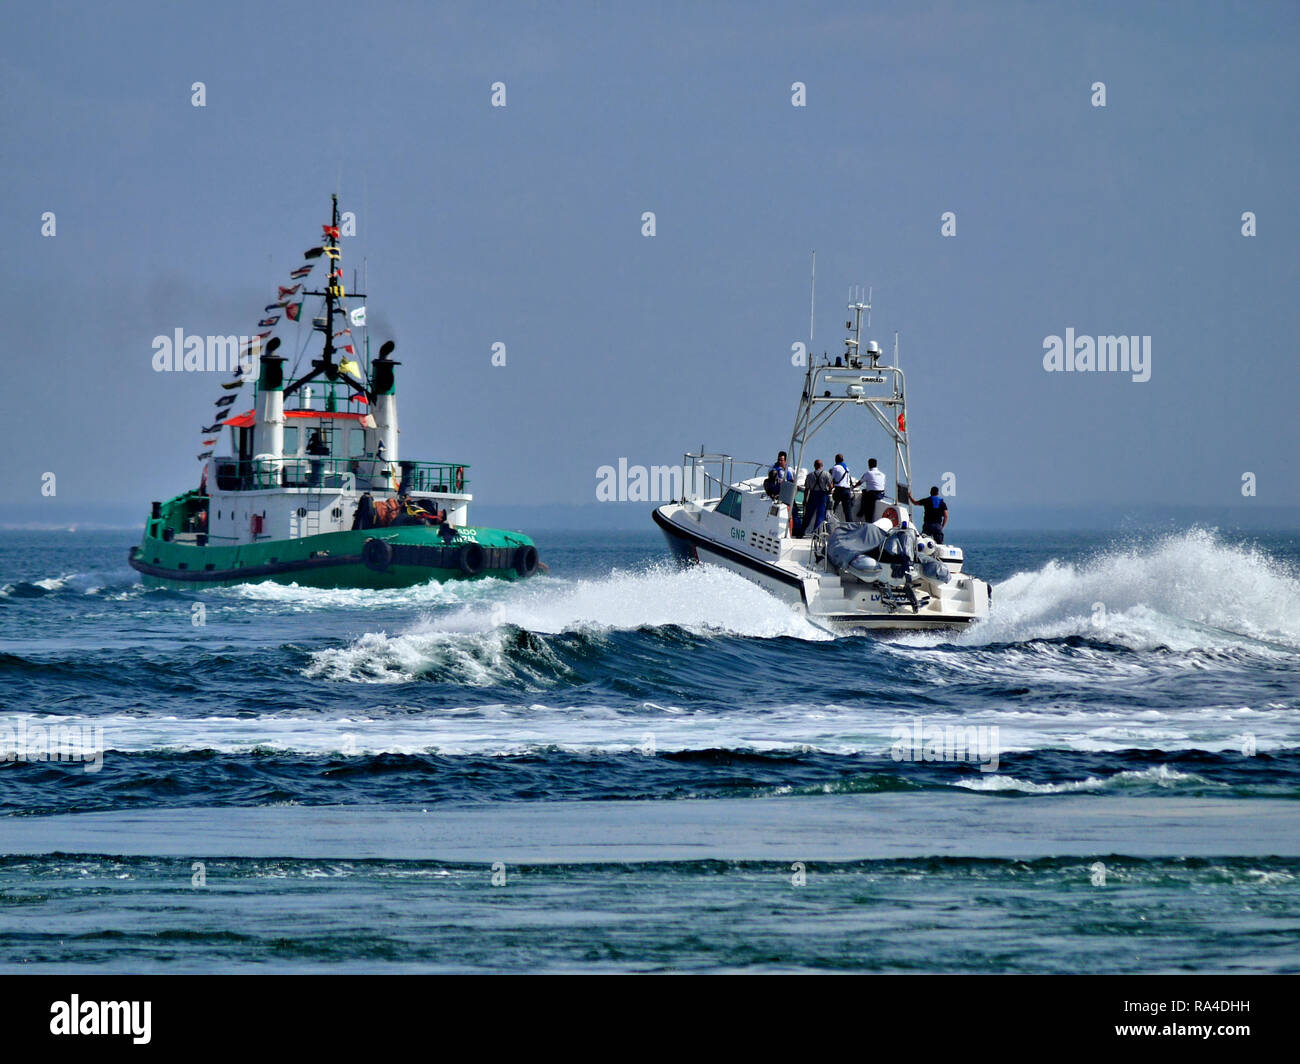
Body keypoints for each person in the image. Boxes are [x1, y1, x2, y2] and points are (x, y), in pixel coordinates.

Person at [801, 459, 831, 537]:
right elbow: (831, 486)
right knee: (820, 516)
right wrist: (828, 491)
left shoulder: (810, 475)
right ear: (822, 466)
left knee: (808, 515)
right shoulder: (826, 474)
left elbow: (806, 489)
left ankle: (801, 532)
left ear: (814, 466)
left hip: (812, 495)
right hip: (822, 495)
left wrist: (804, 500)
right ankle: (816, 534)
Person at [829, 453, 853, 523]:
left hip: (839, 490)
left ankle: (830, 522)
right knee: (847, 512)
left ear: (835, 460)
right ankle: (850, 526)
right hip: (847, 491)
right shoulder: (846, 468)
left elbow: (831, 480)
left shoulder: (835, 468)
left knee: (832, 508)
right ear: (843, 460)